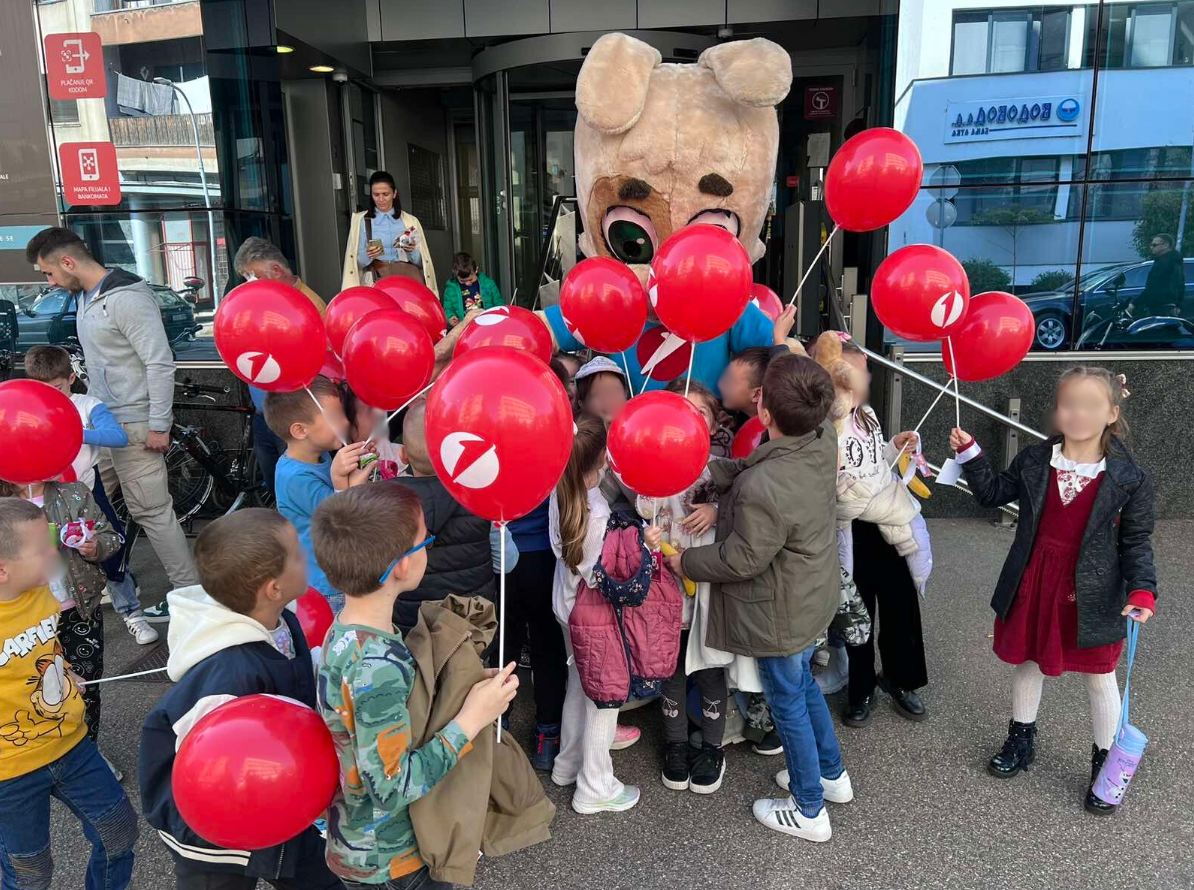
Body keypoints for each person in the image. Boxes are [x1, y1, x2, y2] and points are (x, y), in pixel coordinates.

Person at [950, 367, 1156, 816]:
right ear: (1057, 411)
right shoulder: (1034, 460)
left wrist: (1142, 591)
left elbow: (1136, 541)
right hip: (1035, 577)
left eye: (1090, 405)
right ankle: (1022, 738)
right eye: (1068, 404)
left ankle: (1105, 759)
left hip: (1095, 589)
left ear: (1111, 413)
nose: (1078, 413)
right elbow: (991, 493)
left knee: (1100, 674)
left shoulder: (1130, 478)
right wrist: (971, 454)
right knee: (1029, 660)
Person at [673, 355, 852, 843]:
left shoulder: (762, 486)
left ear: (766, 415)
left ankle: (808, 807)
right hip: (811, 593)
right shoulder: (821, 438)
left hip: (779, 609)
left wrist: (683, 564)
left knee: (787, 700)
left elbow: (739, 560)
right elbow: (763, 460)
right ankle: (831, 775)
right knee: (804, 685)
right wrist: (713, 467)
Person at [311, 483, 519, 890]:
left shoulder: (348, 632)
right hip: (393, 861)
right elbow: (392, 786)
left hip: (358, 845)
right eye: (425, 542)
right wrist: (471, 719)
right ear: (401, 566)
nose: (428, 550)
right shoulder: (377, 666)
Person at [139, 509, 340, 888]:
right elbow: (207, 759)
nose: (306, 555)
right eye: (297, 553)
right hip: (214, 829)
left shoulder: (282, 619)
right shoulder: (230, 670)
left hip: (281, 799)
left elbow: (291, 681)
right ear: (273, 588)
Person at [25, 226, 198, 624]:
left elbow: (159, 361)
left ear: (68, 263)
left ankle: (191, 597)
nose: (49, 282)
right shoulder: (87, 296)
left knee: (152, 511)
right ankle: (117, 581)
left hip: (136, 423)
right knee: (79, 498)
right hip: (101, 419)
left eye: (48, 273)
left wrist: (159, 424)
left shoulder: (127, 298)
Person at [0, 498, 137, 890]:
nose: (54, 554)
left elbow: (42, 651)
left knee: (119, 836)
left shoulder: (41, 593)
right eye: (41, 550)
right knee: (29, 876)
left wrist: (66, 671)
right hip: (10, 772)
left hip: (72, 745)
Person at [22, 345, 158, 646]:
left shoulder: (87, 405)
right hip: (41, 493)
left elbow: (117, 436)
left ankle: (131, 613)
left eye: (58, 387)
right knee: (48, 555)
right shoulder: (29, 406)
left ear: (71, 378)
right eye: (44, 389)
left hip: (85, 491)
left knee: (109, 546)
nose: (53, 395)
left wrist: (71, 430)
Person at [642, 380, 739, 795]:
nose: (690, 420)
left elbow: (743, 510)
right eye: (681, 410)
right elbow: (643, 506)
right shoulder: (657, 461)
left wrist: (716, 510)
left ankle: (713, 747)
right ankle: (676, 744)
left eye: (699, 412)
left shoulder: (724, 466)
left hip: (711, 587)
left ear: (714, 422)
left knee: (712, 668)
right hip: (668, 588)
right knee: (673, 668)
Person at [835, 339, 930, 728]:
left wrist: (895, 445)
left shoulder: (869, 416)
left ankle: (900, 679)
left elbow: (877, 465)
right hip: (849, 529)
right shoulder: (825, 423)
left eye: (863, 369)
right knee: (858, 613)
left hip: (888, 526)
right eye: (856, 370)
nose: (866, 377)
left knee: (900, 606)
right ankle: (860, 689)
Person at [549, 414, 640, 815]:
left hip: (565, 607)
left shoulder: (560, 491)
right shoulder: (595, 511)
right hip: (593, 616)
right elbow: (602, 574)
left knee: (578, 685)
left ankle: (567, 764)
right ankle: (595, 785)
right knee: (604, 699)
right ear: (602, 457)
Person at [265, 377, 374, 614]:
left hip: (338, 568)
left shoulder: (321, 455)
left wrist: (358, 465)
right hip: (325, 582)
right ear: (300, 430)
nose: (345, 422)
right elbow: (339, 518)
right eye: (334, 417)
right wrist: (343, 481)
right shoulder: (294, 477)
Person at [389, 400, 497, 634]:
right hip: (471, 625)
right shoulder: (479, 499)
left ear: (403, 455)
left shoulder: (388, 503)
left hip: (411, 626)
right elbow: (506, 560)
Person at [233, 237, 328, 495]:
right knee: (274, 484)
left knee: (293, 491)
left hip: (291, 415)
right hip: (265, 411)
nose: (248, 286)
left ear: (276, 271)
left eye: (252, 277)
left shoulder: (308, 306)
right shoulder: (267, 302)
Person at [343, 171, 439, 293]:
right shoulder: (362, 221)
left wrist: (411, 251)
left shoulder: (410, 221)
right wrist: (368, 255)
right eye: (376, 195)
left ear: (394, 194)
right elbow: (356, 264)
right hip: (376, 280)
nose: (381, 199)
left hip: (406, 280)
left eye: (385, 194)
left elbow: (423, 262)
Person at [234, 236, 327, 314]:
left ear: (276, 271)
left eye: (256, 278)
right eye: (247, 279)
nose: (251, 285)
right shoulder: (266, 302)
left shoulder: (311, 306)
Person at [441, 252, 504, 327]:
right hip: (464, 328)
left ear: (476, 270)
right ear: (456, 275)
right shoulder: (451, 289)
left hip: (488, 325)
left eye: (470, 280)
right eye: (462, 281)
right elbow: (447, 308)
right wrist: (450, 317)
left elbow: (499, 304)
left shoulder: (488, 284)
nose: (467, 283)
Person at [1131, 233, 1185, 317]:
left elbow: (1153, 287)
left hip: (1159, 307)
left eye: (1154, 245)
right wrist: (1178, 305)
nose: (1151, 247)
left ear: (1166, 245)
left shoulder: (1163, 263)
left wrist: (1134, 304)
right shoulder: (1176, 261)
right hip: (1170, 306)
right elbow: (1181, 285)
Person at [574, 356, 629, 425]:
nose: (608, 400)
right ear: (582, 404)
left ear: (626, 393)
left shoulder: (641, 430)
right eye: (599, 394)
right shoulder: (578, 434)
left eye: (614, 391)